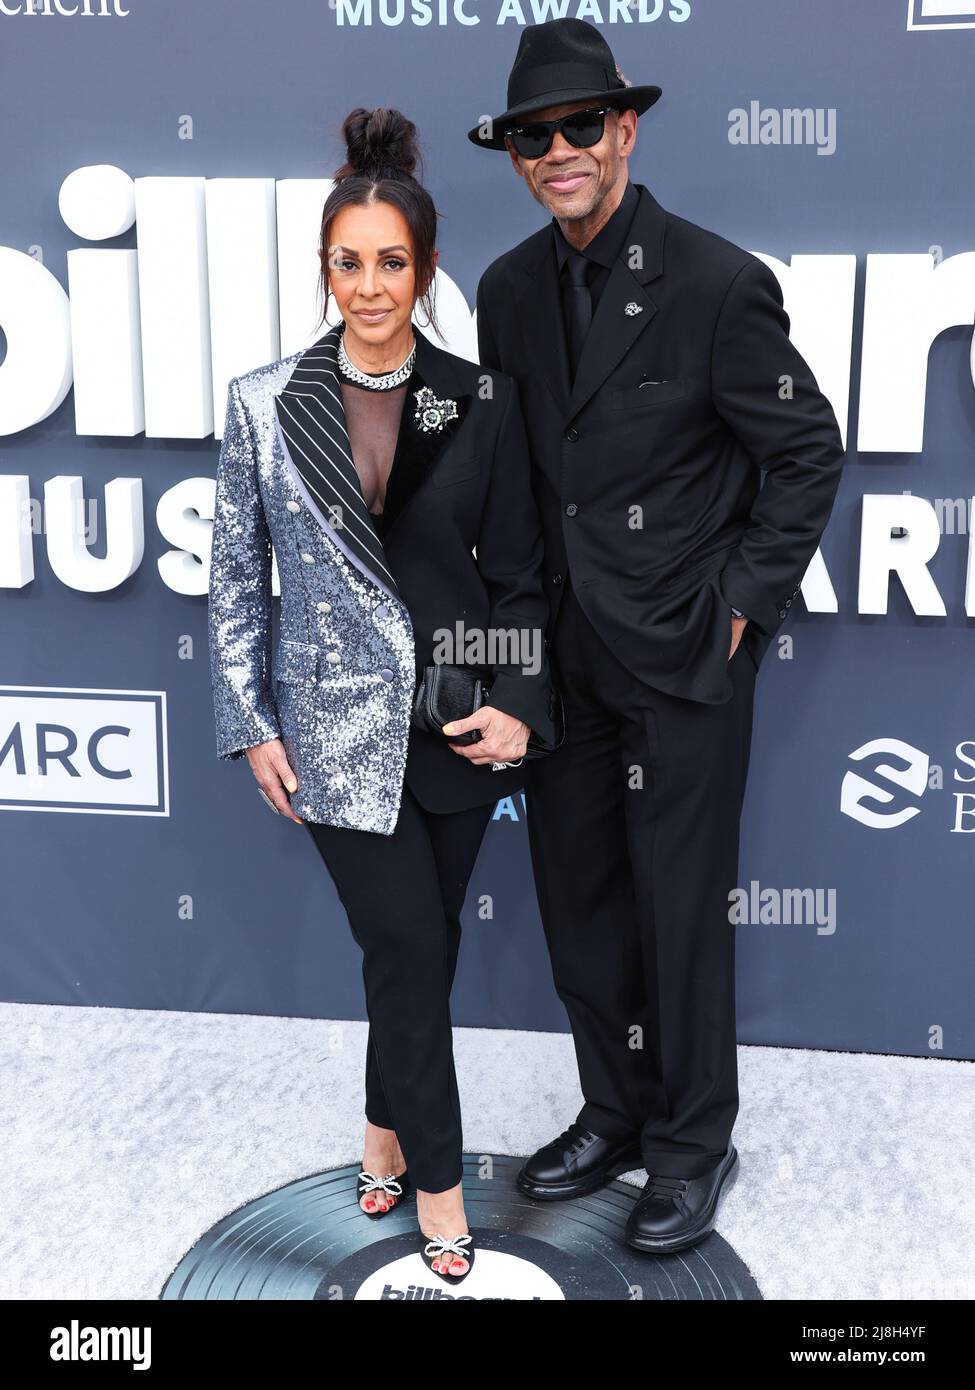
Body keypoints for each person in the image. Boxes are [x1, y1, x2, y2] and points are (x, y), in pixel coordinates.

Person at [467, 18, 845, 1254]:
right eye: (538, 135)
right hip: (560, 660)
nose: (561, 149)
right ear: (519, 154)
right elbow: (518, 489)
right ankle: (617, 1108)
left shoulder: (718, 282)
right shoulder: (508, 290)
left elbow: (804, 452)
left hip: (685, 652)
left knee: (679, 912)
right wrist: (513, 660)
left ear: (625, 129)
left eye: (583, 125)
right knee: (580, 903)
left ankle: (691, 1142)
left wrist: (739, 603)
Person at [208, 106, 555, 1283]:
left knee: (417, 957)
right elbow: (234, 584)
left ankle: (377, 1133)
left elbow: (517, 575)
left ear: (426, 267)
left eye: (392, 262)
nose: (370, 286)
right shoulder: (263, 404)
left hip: (458, 733)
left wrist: (521, 700)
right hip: (336, 740)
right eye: (347, 262)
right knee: (407, 945)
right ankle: (443, 1195)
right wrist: (251, 722)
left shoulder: (479, 399)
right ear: (323, 269)